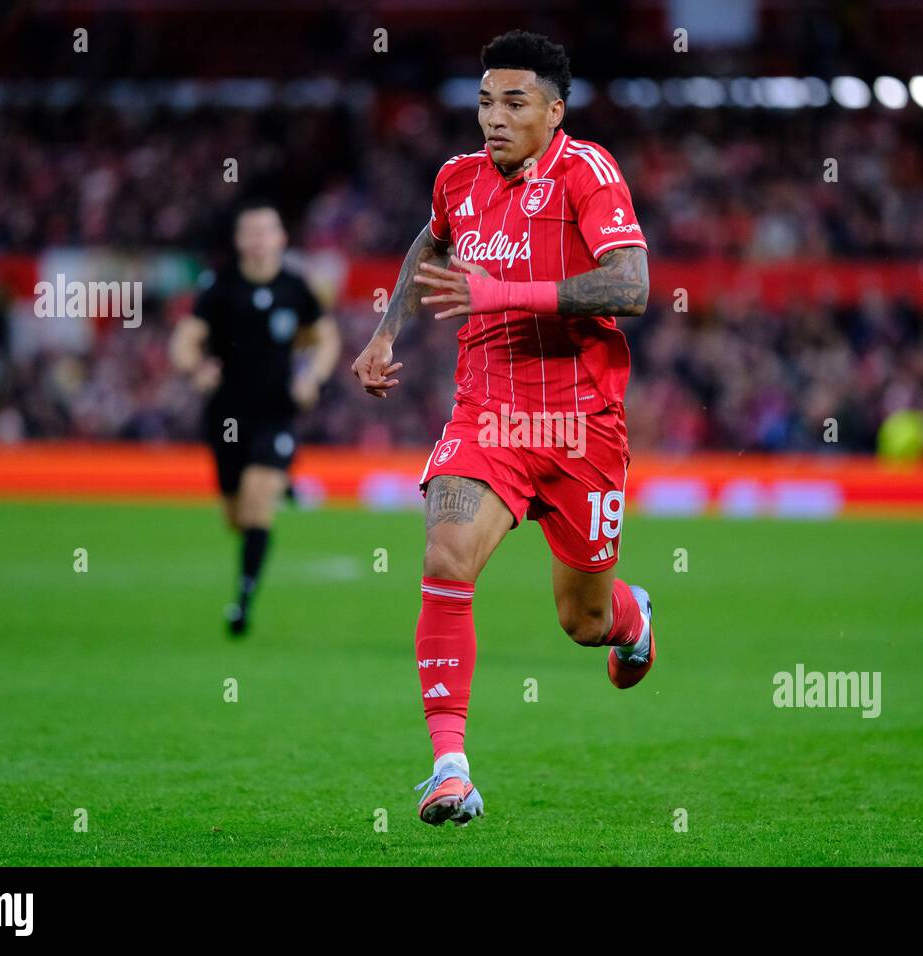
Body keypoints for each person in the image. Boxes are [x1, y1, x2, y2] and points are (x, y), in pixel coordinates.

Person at [351, 30, 656, 827]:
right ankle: (449, 768)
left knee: (582, 620)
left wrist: (507, 293)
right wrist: (387, 331)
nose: (494, 117)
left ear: (554, 111)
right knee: (446, 552)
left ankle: (633, 621)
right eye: (485, 101)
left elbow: (632, 286)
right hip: (487, 414)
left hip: (582, 425)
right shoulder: (458, 179)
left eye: (514, 102)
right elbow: (432, 241)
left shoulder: (588, 172)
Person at [171, 200, 341, 634]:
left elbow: (327, 337)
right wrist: (196, 368)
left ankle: (242, 604)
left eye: (268, 231)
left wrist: (312, 378)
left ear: (281, 239)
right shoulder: (220, 288)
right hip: (226, 417)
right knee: (237, 515)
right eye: (251, 232)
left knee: (257, 501)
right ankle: (276, 491)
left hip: (276, 413)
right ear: (240, 240)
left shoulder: (296, 288)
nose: (259, 240)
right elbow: (185, 339)